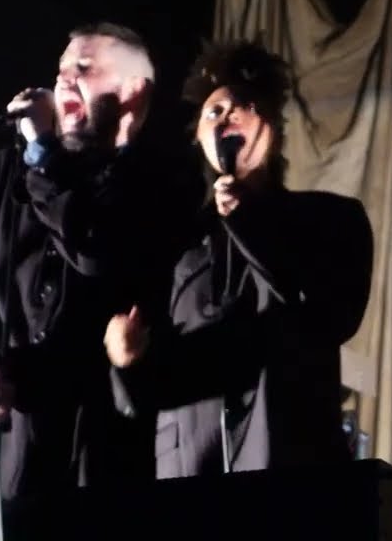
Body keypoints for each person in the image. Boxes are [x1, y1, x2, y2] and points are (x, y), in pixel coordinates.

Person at [0, 22, 188, 539]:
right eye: (61, 71)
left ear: (135, 91)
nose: (63, 82)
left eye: (84, 70)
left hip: (87, 459)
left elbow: (97, 254)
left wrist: (43, 151)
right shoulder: (4, 174)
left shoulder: (160, 188)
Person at [103, 40, 374, 476]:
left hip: (289, 471)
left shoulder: (331, 218)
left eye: (243, 106)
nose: (227, 117)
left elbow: (329, 317)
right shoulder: (180, 243)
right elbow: (154, 385)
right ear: (198, 138)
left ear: (272, 128)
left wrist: (247, 219)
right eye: (214, 112)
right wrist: (127, 359)